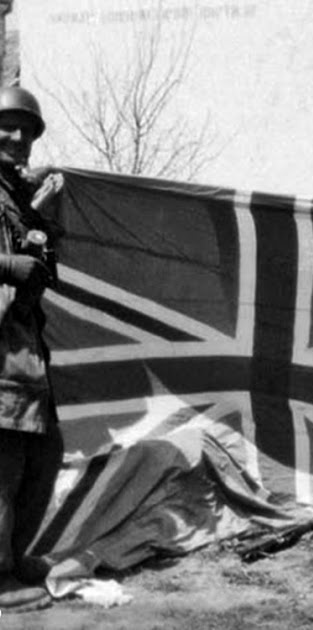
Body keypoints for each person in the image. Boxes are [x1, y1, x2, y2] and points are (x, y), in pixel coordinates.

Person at [0, 86, 64, 614]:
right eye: (7, 126)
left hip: (24, 341)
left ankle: (15, 555)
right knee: (6, 461)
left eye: (27, 130)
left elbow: (36, 257)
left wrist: (40, 221)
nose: (19, 138)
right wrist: (6, 266)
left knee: (43, 452)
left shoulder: (15, 194)